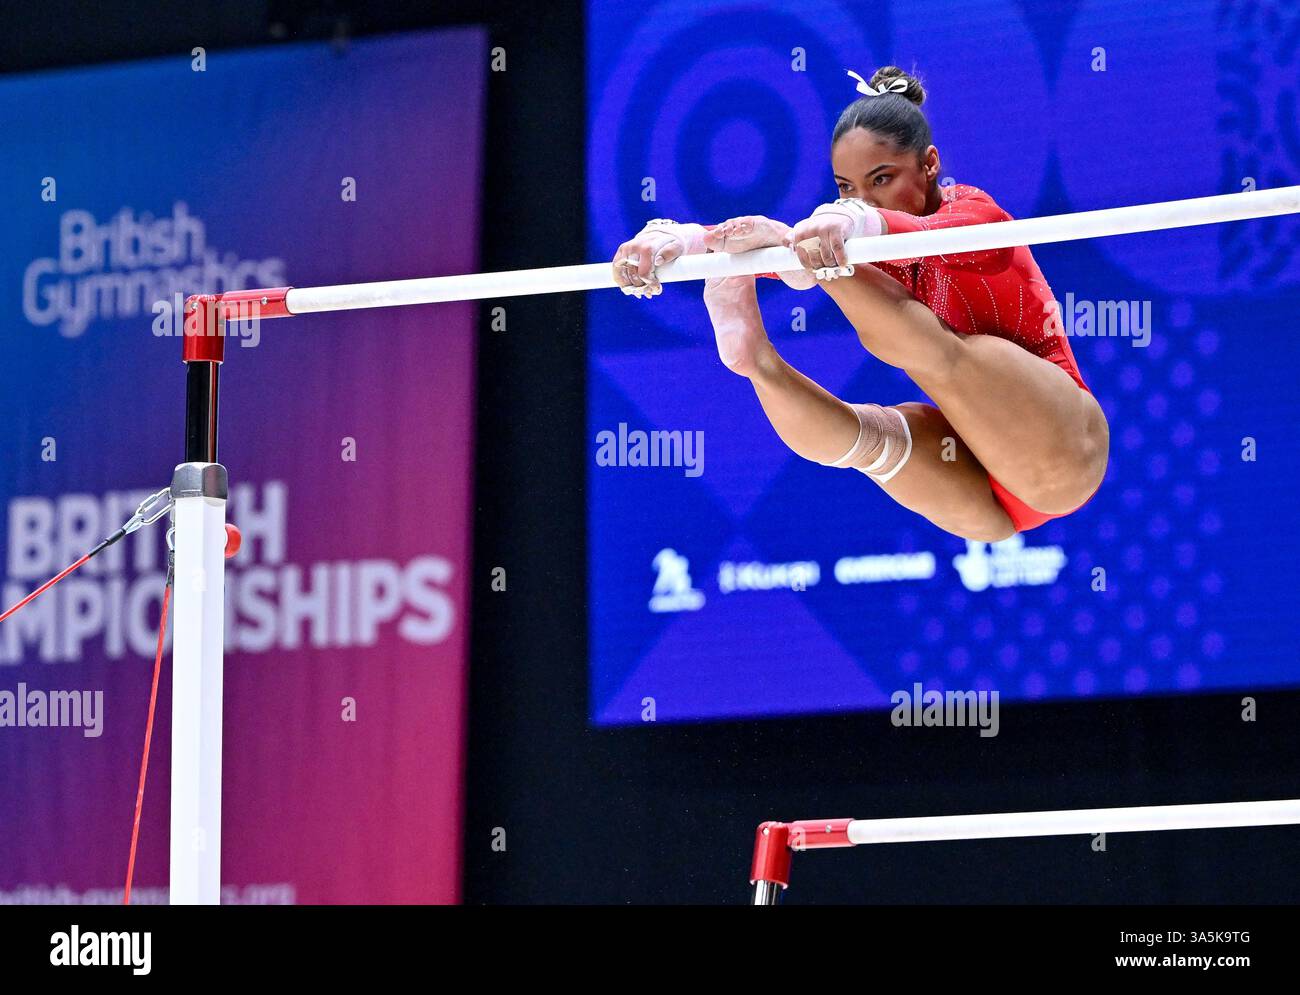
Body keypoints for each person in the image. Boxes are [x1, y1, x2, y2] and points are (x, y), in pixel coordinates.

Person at [611, 66, 1109, 540]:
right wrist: (683, 244)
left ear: (930, 165)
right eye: (847, 188)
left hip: (1063, 451)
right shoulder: (867, 246)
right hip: (986, 495)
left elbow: (927, 236)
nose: (866, 201)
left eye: (881, 179)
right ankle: (755, 359)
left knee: (924, 339)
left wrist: (848, 223)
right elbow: (812, 251)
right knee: (865, 440)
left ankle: (790, 248)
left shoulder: (973, 213)